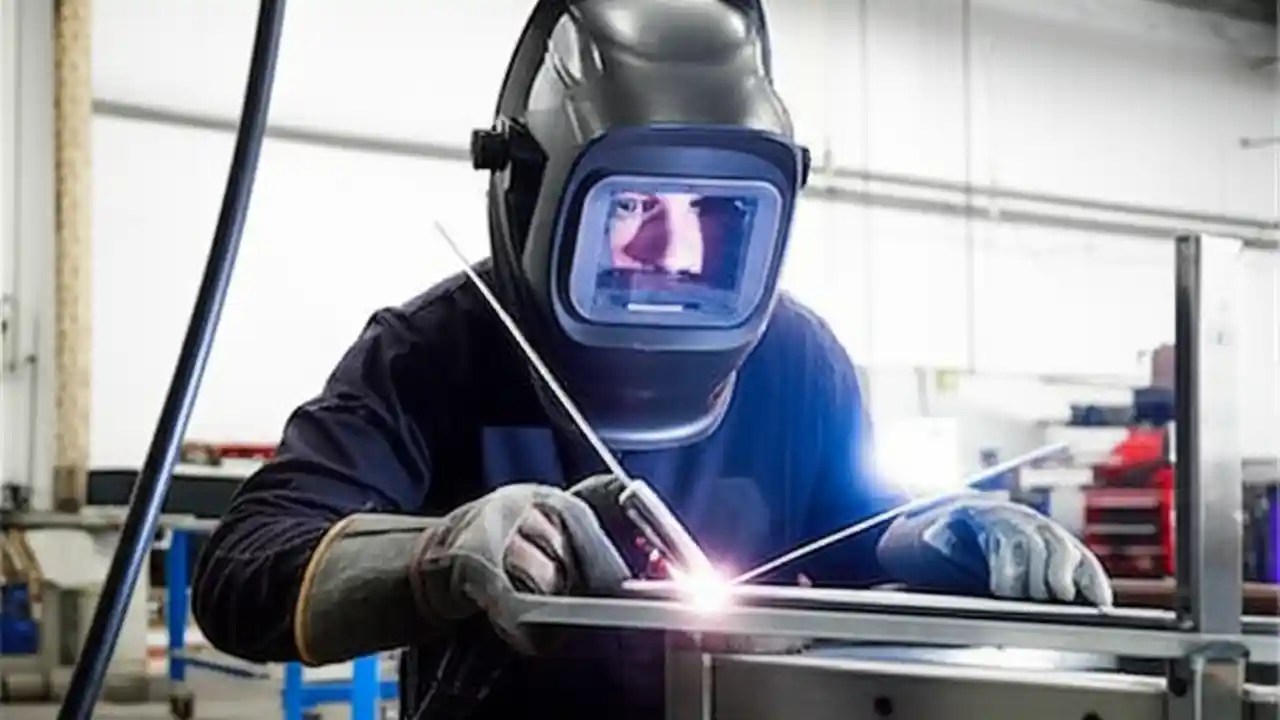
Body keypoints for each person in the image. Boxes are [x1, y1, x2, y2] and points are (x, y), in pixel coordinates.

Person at [191, 2, 1112, 718]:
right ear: (541, 190)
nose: (671, 252)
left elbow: (850, 531)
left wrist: (935, 535)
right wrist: (434, 557)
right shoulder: (436, 349)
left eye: (710, 214)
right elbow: (243, 572)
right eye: (634, 210)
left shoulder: (797, 358)